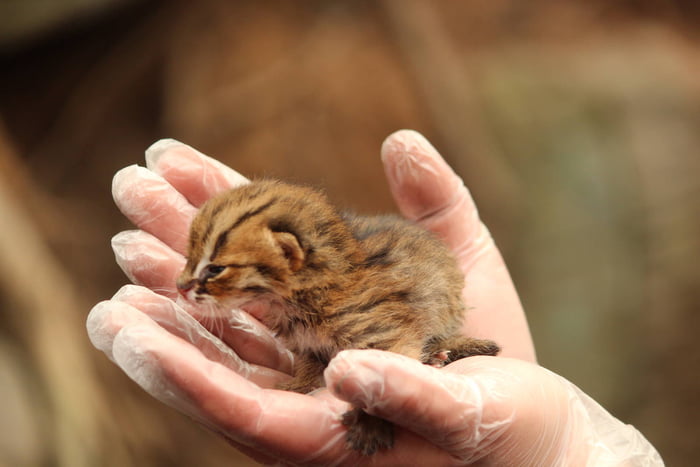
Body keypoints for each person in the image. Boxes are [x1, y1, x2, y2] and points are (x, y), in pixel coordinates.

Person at [87, 130, 663, 465]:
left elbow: (390, 346)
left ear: (290, 258)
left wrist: (563, 454)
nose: (189, 286)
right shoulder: (290, 312)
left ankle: (449, 345)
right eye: (193, 263)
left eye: (214, 271)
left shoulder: (342, 304)